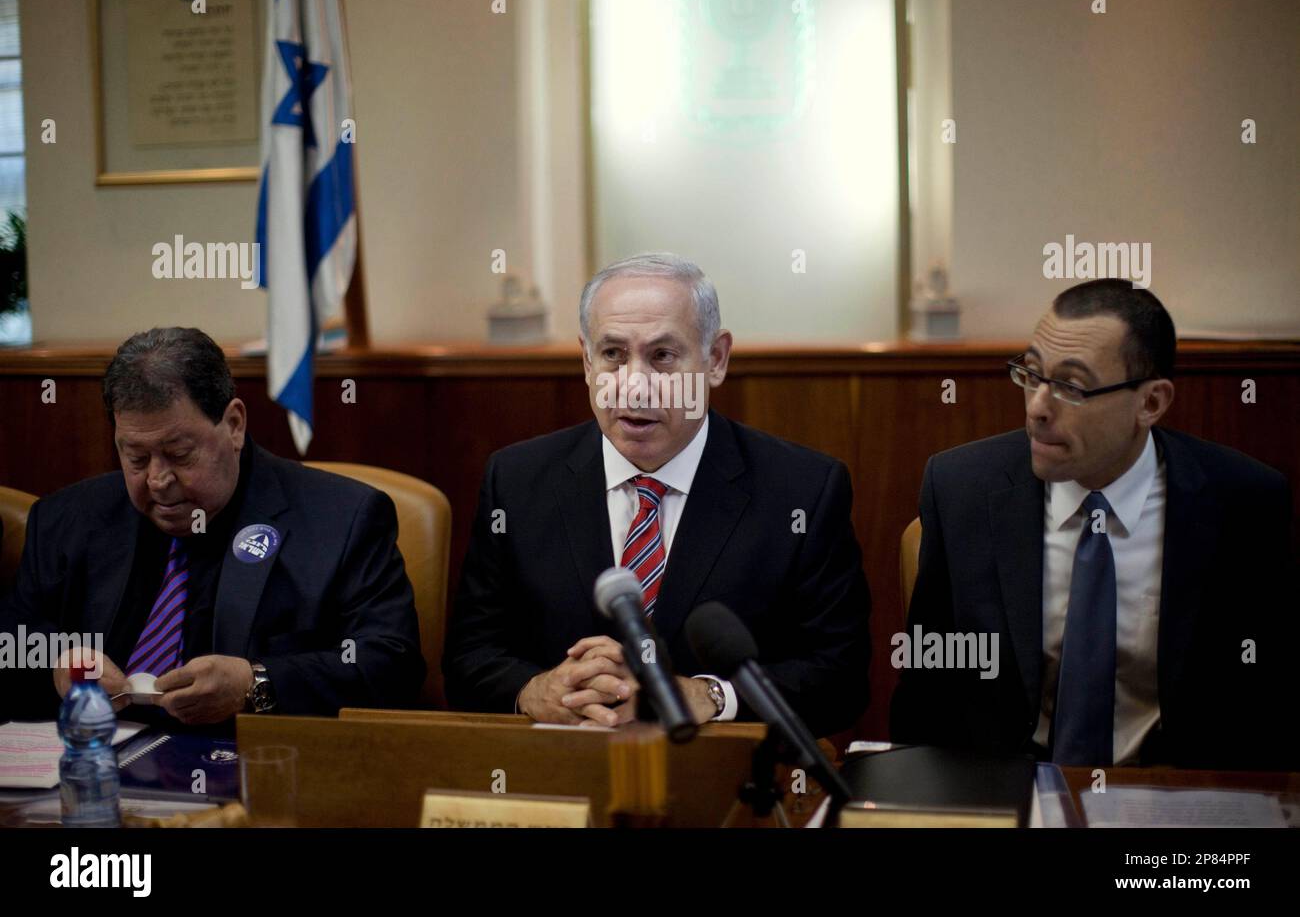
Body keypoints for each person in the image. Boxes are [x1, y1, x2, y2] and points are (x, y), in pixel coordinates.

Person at [444, 253, 872, 738]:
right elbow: (468, 658)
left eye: (663, 357)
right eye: (613, 356)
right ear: (586, 361)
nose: (635, 387)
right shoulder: (517, 481)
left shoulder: (802, 490)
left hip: (721, 781)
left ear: (715, 359)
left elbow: (841, 679)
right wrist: (533, 690)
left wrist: (712, 695)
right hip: (559, 780)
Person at [891, 280, 1296, 769]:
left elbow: (1266, 705)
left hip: (1172, 802)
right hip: (1007, 790)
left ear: (1151, 403)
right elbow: (925, 698)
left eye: (1070, 386)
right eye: (1031, 374)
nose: (1038, 407)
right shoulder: (962, 489)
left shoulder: (1242, 502)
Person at [3, 327, 424, 725]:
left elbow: (391, 667)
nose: (158, 480)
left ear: (234, 425)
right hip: (95, 772)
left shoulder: (344, 518)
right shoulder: (66, 517)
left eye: (180, 454)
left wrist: (255, 683)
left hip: (256, 771)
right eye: (135, 456)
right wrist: (60, 662)